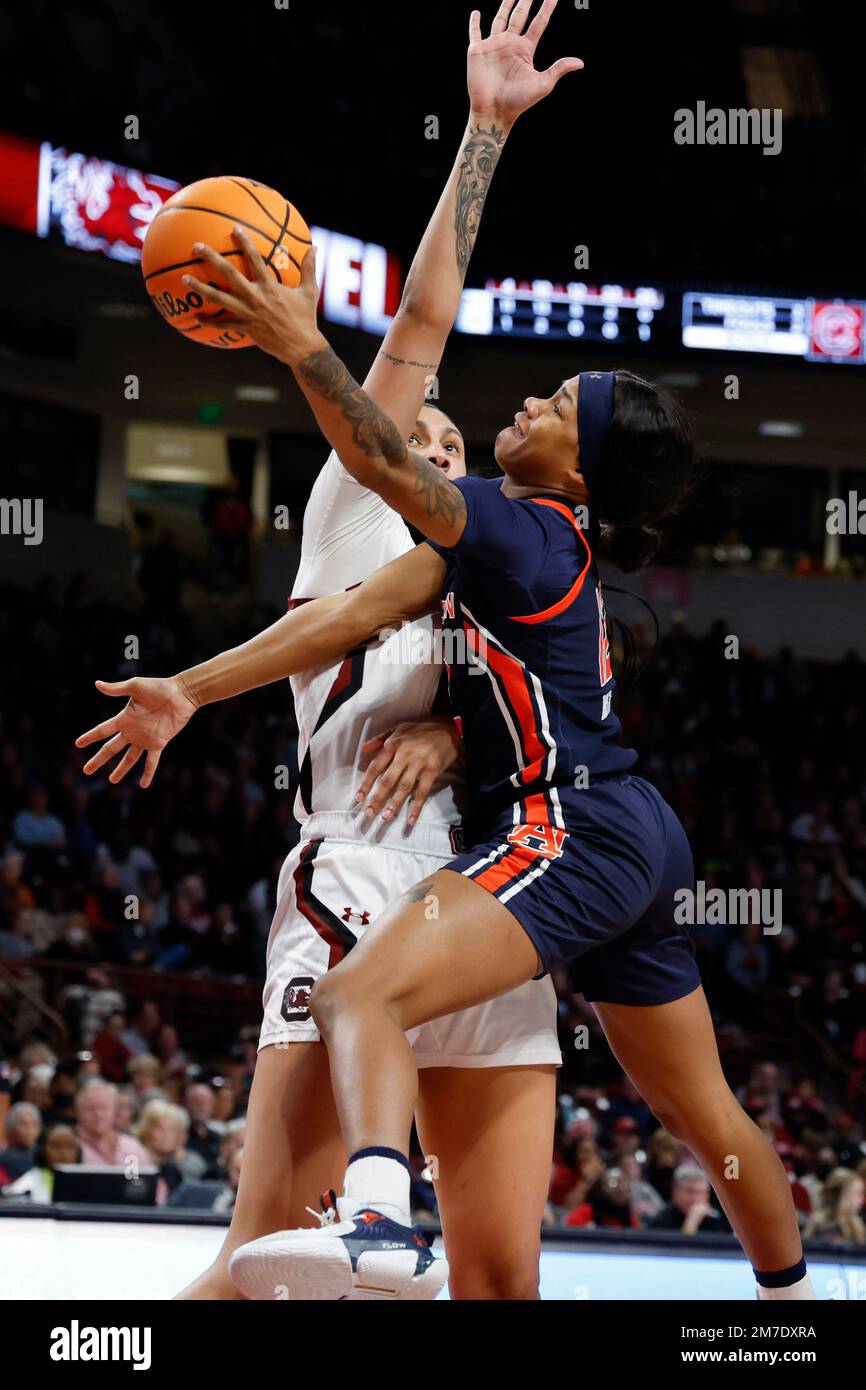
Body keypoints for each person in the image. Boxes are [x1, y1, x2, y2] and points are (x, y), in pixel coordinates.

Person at [76, 0, 581, 1301]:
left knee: (379, 1260)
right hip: (354, 863)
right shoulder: (364, 497)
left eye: (461, 452)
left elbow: (561, 717)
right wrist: (481, 134)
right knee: (262, 1244)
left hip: (467, 893)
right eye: (430, 441)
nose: (445, 452)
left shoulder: (501, 589)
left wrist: (458, 721)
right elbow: (419, 319)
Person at [74, 1078, 150, 1168]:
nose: (98, 1115)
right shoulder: (69, 1147)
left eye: (103, 1108)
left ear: (114, 1110)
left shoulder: (132, 1146)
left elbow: (153, 1181)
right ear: (77, 1112)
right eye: (91, 1108)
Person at [1, 1125, 82, 1203]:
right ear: (42, 1150)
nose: (64, 1153)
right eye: (56, 1146)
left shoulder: (85, 1183)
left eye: (70, 1146)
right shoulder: (27, 1185)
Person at [646, 1164, 728, 1235]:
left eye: (699, 1192)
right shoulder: (661, 1220)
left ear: (707, 1195)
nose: (694, 1198)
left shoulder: (716, 1218)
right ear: (675, 1192)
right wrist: (691, 1223)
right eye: (690, 1192)